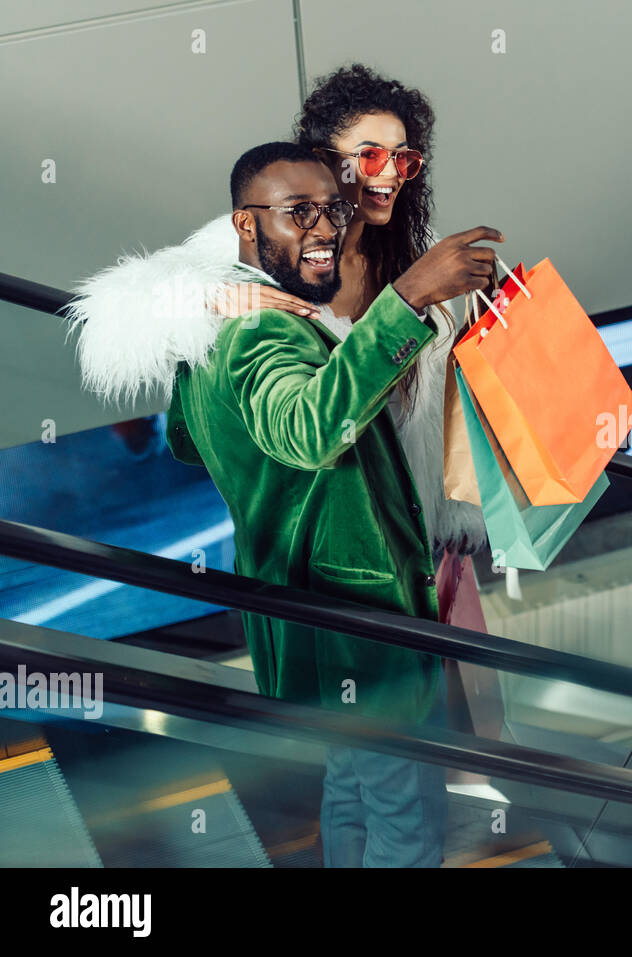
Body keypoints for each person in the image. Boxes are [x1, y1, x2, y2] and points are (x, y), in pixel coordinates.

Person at [154, 140, 498, 865]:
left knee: (351, 792)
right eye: (296, 212)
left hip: (307, 635)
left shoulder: (219, 321)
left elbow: (187, 438)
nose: (324, 229)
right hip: (357, 635)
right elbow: (310, 430)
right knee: (405, 827)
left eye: (331, 210)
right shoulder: (259, 329)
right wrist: (408, 300)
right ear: (245, 225)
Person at [67, 63, 487, 558]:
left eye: (403, 158)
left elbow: (437, 401)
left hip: (423, 535)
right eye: (371, 157)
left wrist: (457, 508)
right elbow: (114, 314)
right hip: (324, 544)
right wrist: (202, 296)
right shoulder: (251, 249)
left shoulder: (415, 254)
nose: (391, 174)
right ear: (322, 160)